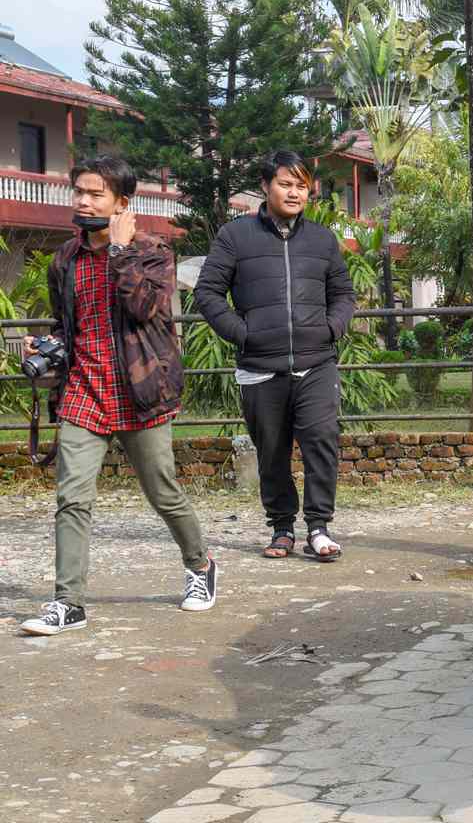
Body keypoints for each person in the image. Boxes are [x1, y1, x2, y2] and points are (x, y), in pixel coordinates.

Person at [20, 157, 217, 635]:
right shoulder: (64, 259)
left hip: (139, 390)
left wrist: (121, 251)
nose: (83, 202)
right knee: (72, 498)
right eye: (79, 192)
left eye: (95, 194)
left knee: (162, 491)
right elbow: (69, 322)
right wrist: (45, 344)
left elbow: (145, 307)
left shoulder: (152, 252)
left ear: (121, 204)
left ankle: (200, 565)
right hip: (85, 391)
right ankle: (69, 603)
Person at [195, 151, 355, 562]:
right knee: (272, 450)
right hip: (259, 367)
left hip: (317, 361)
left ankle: (318, 527)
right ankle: (282, 527)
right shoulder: (235, 236)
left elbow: (343, 294)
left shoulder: (322, 240)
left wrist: (331, 328)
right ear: (266, 186)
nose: (294, 192)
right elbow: (208, 293)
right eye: (286, 183)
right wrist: (243, 334)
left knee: (321, 441)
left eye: (302, 185)